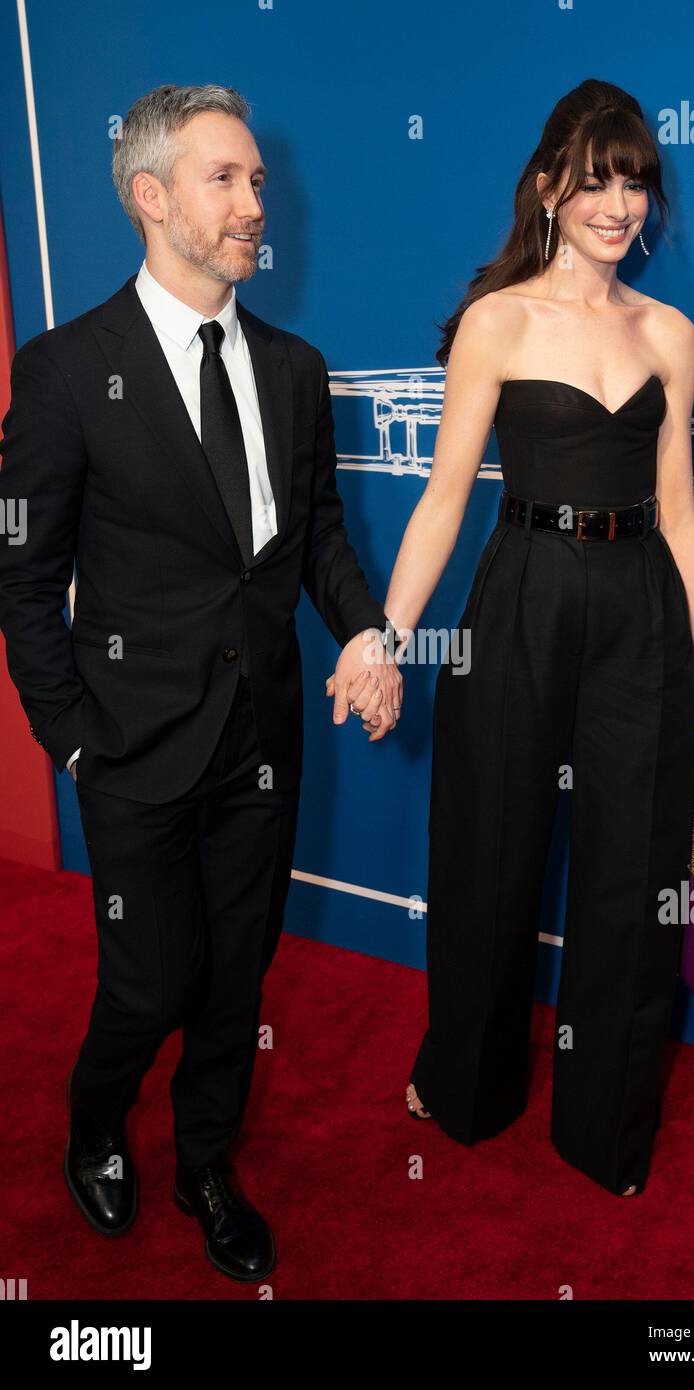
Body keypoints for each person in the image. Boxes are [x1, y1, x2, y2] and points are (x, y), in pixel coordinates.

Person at [0, 82, 401, 1280]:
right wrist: (72, 740)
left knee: (237, 975)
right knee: (150, 976)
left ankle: (208, 1167)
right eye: (224, 179)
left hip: (264, 739)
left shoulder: (294, 366)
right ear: (151, 196)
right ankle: (94, 1123)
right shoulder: (67, 370)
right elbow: (24, 580)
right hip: (129, 747)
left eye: (257, 181)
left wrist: (369, 633)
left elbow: (319, 536)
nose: (251, 202)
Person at [365, 78, 694, 1196]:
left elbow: (679, 512)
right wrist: (388, 634)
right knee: (489, 848)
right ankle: (466, 1086)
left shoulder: (671, 332)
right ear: (548, 188)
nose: (619, 204)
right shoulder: (499, 320)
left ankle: (605, 1127)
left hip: (641, 610)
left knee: (633, 876)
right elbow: (442, 498)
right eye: (596, 180)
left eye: (635, 183)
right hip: (521, 590)